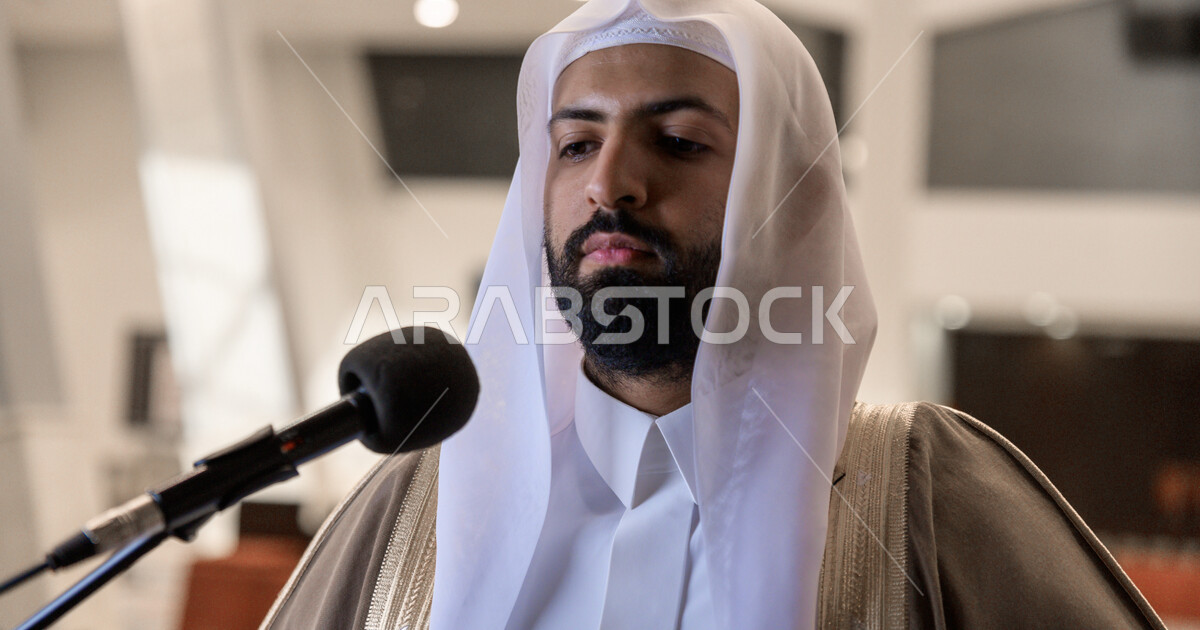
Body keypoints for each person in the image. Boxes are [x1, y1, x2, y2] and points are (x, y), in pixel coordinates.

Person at [260, 1, 1165, 628]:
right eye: (576, 143)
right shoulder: (414, 505)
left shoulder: (924, 492)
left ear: (791, 200)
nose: (610, 182)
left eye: (681, 141)